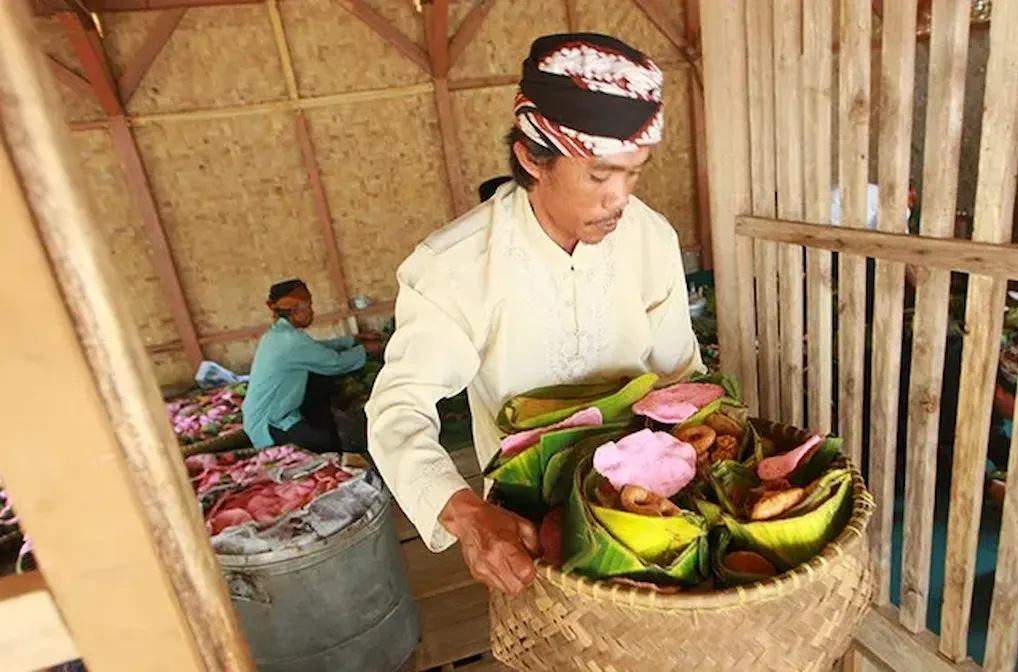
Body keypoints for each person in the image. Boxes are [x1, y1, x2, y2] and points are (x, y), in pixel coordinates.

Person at [366, 33, 703, 595]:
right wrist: (469, 516)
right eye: (599, 174)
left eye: (634, 172)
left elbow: (679, 376)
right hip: (526, 530)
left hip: (652, 511)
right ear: (531, 157)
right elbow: (397, 409)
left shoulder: (651, 239)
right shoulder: (455, 267)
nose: (619, 197)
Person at [242, 279, 383, 453]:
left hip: (268, 415)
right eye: (309, 306)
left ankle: (319, 423)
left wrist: (353, 340)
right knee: (327, 443)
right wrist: (366, 350)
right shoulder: (290, 340)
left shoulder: (280, 334)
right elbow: (335, 363)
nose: (312, 311)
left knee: (318, 384)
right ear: (295, 310)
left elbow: (316, 350)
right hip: (269, 425)